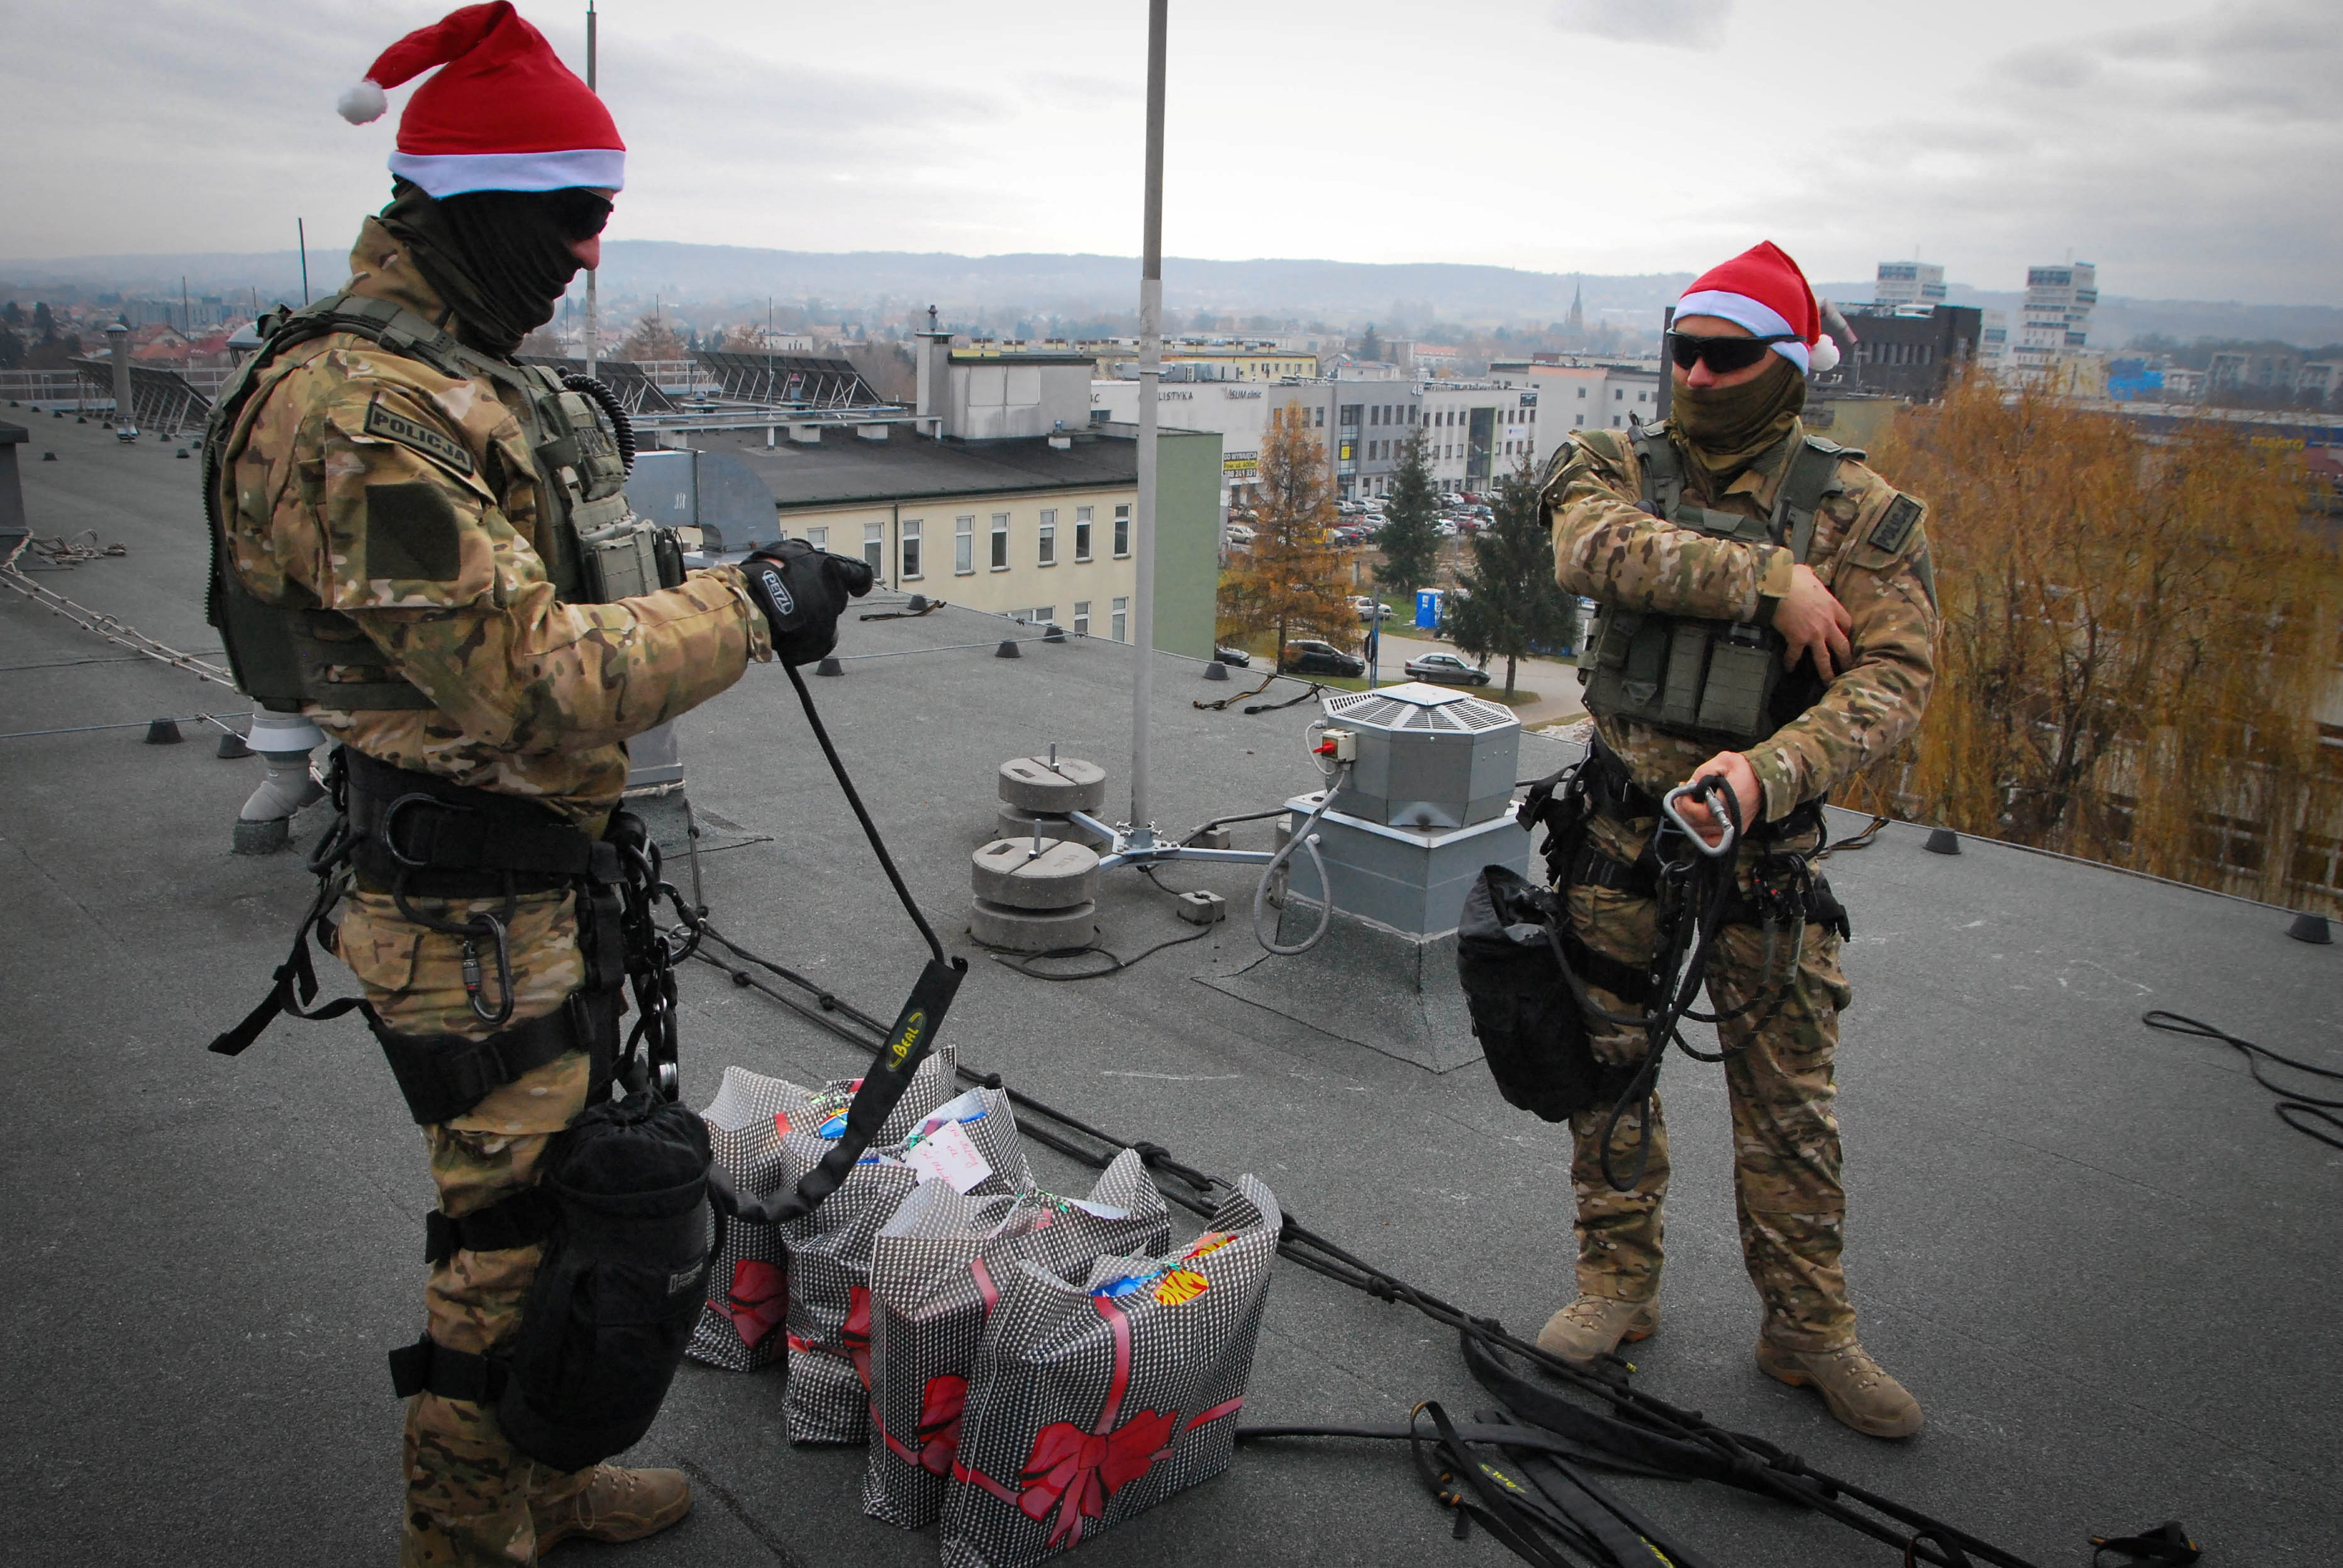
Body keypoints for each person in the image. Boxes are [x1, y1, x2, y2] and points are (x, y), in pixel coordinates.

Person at [203, 6, 858, 1560]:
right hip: (457, 898)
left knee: (579, 1209)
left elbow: (563, 586)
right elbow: (529, 672)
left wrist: (712, 586)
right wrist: (749, 605)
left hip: (533, 877)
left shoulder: (468, 376)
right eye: (568, 217)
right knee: (503, 1254)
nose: (585, 257)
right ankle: (464, 1537)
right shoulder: (359, 416)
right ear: (473, 202)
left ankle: (547, 1488)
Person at [1535, 241, 1938, 1439]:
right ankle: (1617, 1284)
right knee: (1608, 1073)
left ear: (1786, 363)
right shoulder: (1614, 459)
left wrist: (1769, 776)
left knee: (1788, 1104)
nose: (1699, 376)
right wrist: (1769, 581)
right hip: (1616, 835)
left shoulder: (1859, 512)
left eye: (1729, 355)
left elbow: (1897, 677)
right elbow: (1587, 545)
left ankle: (1808, 1329)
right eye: (1685, 350)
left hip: (1761, 859)